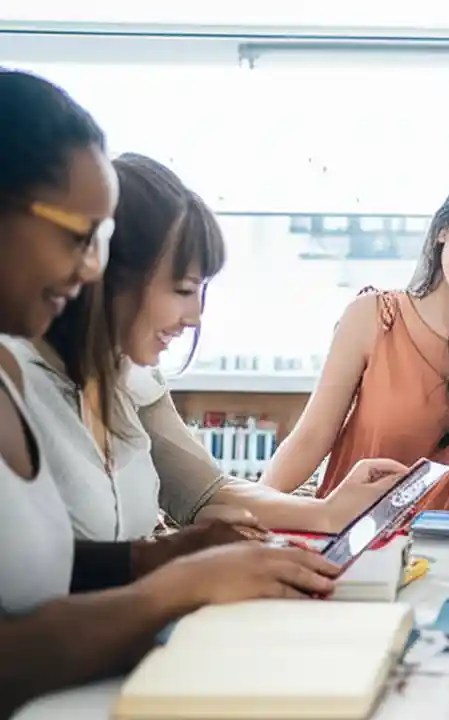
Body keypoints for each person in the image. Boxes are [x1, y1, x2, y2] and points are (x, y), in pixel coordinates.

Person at [0, 68, 341, 716]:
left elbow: (33, 576)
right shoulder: (28, 372)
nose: (93, 268)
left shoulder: (8, 380)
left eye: (101, 241)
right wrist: (172, 586)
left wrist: (166, 555)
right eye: (80, 237)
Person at [3, 152, 407, 542]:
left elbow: (203, 489)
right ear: (111, 275)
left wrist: (330, 512)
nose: (194, 317)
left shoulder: (132, 376)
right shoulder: (19, 381)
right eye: (183, 289)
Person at [261, 168, 449, 511]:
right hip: (358, 547)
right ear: (445, 229)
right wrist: (246, 514)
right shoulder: (373, 317)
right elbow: (310, 439)